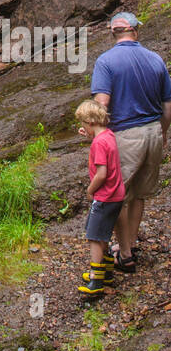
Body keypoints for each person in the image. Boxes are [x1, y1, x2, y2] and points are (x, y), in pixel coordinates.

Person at [91, 11, 171, 272]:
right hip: (153, 133)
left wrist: (97, 136)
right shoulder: (156, 59)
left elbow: (101, 103)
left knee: (117, 196)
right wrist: (163, 132)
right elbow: (167, 106)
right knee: (138, 195)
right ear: (136, 30)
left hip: (125, 135)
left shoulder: (106, 61)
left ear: (112, 32)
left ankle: (125, 254)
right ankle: (131, 244)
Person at [75, 99, 125, 298]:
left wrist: (90, 190)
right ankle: (107, 273)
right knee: (104, 233)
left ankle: (96, 280)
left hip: (105, 196)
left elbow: (102, 173)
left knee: (94, 236)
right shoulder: (108, 135)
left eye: (83, 124)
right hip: (117, 195)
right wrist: (90, 137)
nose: (82, 128)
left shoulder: (98, 143)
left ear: (90, 121)